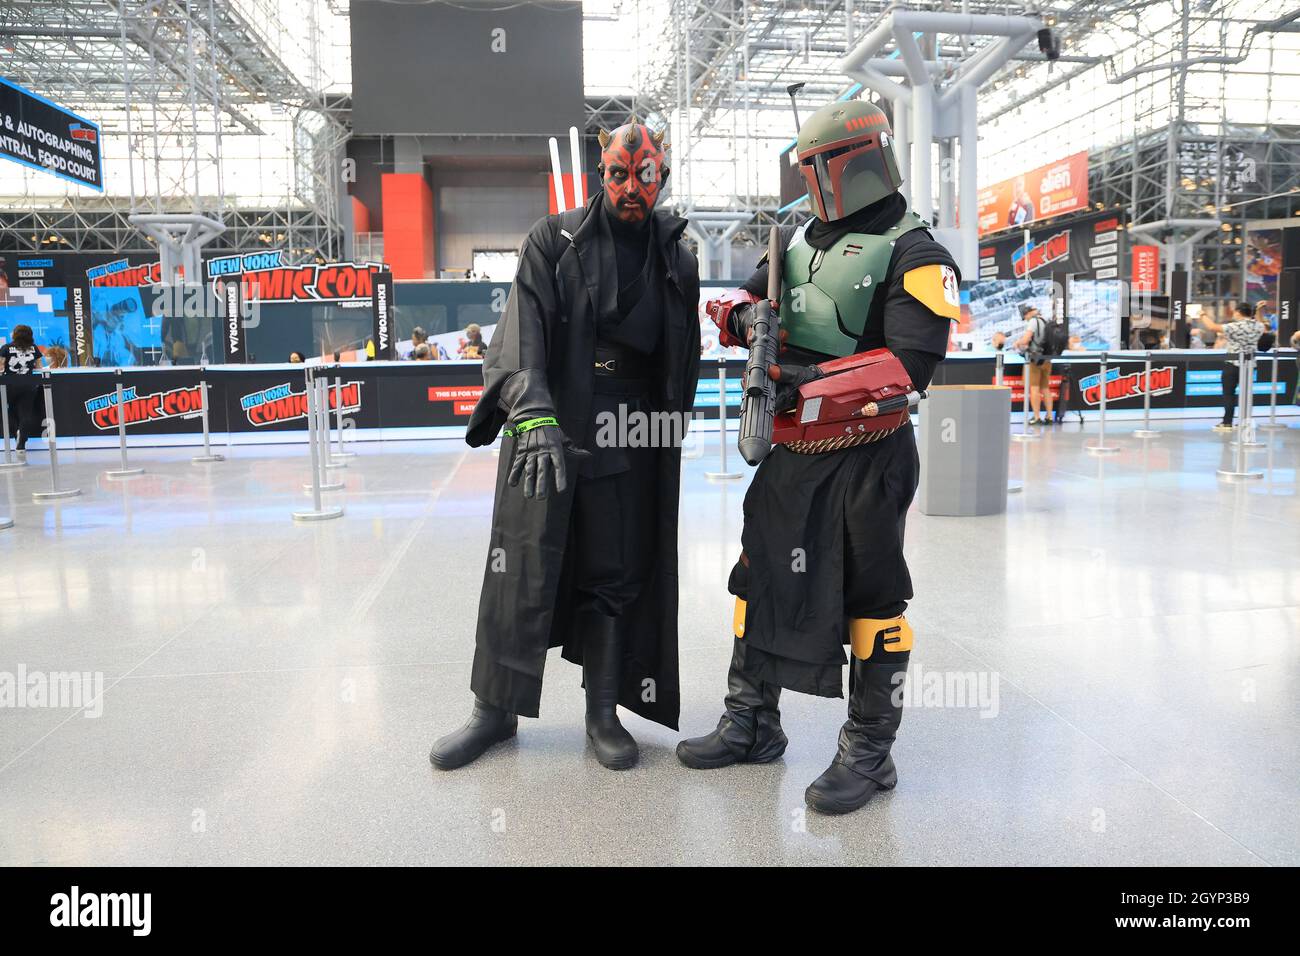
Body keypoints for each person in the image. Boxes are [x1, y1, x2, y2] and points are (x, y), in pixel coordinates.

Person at [677, 98, 960, 815]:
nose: (809, 181)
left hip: (868, 458)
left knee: (873, 603)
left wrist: (800, 379)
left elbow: (910, 369)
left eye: (816, 166)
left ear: (854, 161)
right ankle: (752, 720)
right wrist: (745, 319)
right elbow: (734, 308)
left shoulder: (915, 248)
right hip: (789, 454)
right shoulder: (794, 241)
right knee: (758, 580)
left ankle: (870, 753)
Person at [430, 118, 701, 772]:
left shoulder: (676, 256)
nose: (629, 187)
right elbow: (521, 336)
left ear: (661, 178)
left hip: (630, 430)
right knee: (519, 565)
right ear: (599, 172)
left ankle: (602, 710)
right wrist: (534, 413)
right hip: (548, 421)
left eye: (644, 176)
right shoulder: (553, 240)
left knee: (615, 568)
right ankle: (492, 711)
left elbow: (680, 356)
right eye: (617, 173)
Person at [1198, 301, 1266, 430]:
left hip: (1233, 365)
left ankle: (1227, 422)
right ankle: (1246, 422)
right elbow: (1264, 325)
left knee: (1229, 394)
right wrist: (1257, 312)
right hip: (1250, 365)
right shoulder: (1259, 326)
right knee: (1246, 395)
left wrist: (1202, 315)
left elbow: (1212, 327)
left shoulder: (1235, 326)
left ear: (1239, 312)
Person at [0, 324, 45, 461]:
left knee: (7, 410)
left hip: (9, 385)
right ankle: (21, 445)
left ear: (15, 334)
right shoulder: (34, 348)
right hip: (28, 385)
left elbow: (0, 366)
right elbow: (39, 367)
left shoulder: (6, 348)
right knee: (25, 414)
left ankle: (16, 433)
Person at [1013, 303, 1054, 425]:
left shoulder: (1033, 322)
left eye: (1025, 316)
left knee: (1034, 388)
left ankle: (1036, 417)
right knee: (1046, 388)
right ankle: (1050, 416)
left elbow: (1026, 340)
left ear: (1028, 313)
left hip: (1035, 360)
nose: (1025, 319)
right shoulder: (1045, 320)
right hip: (1047, 358)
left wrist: (1017, 343)